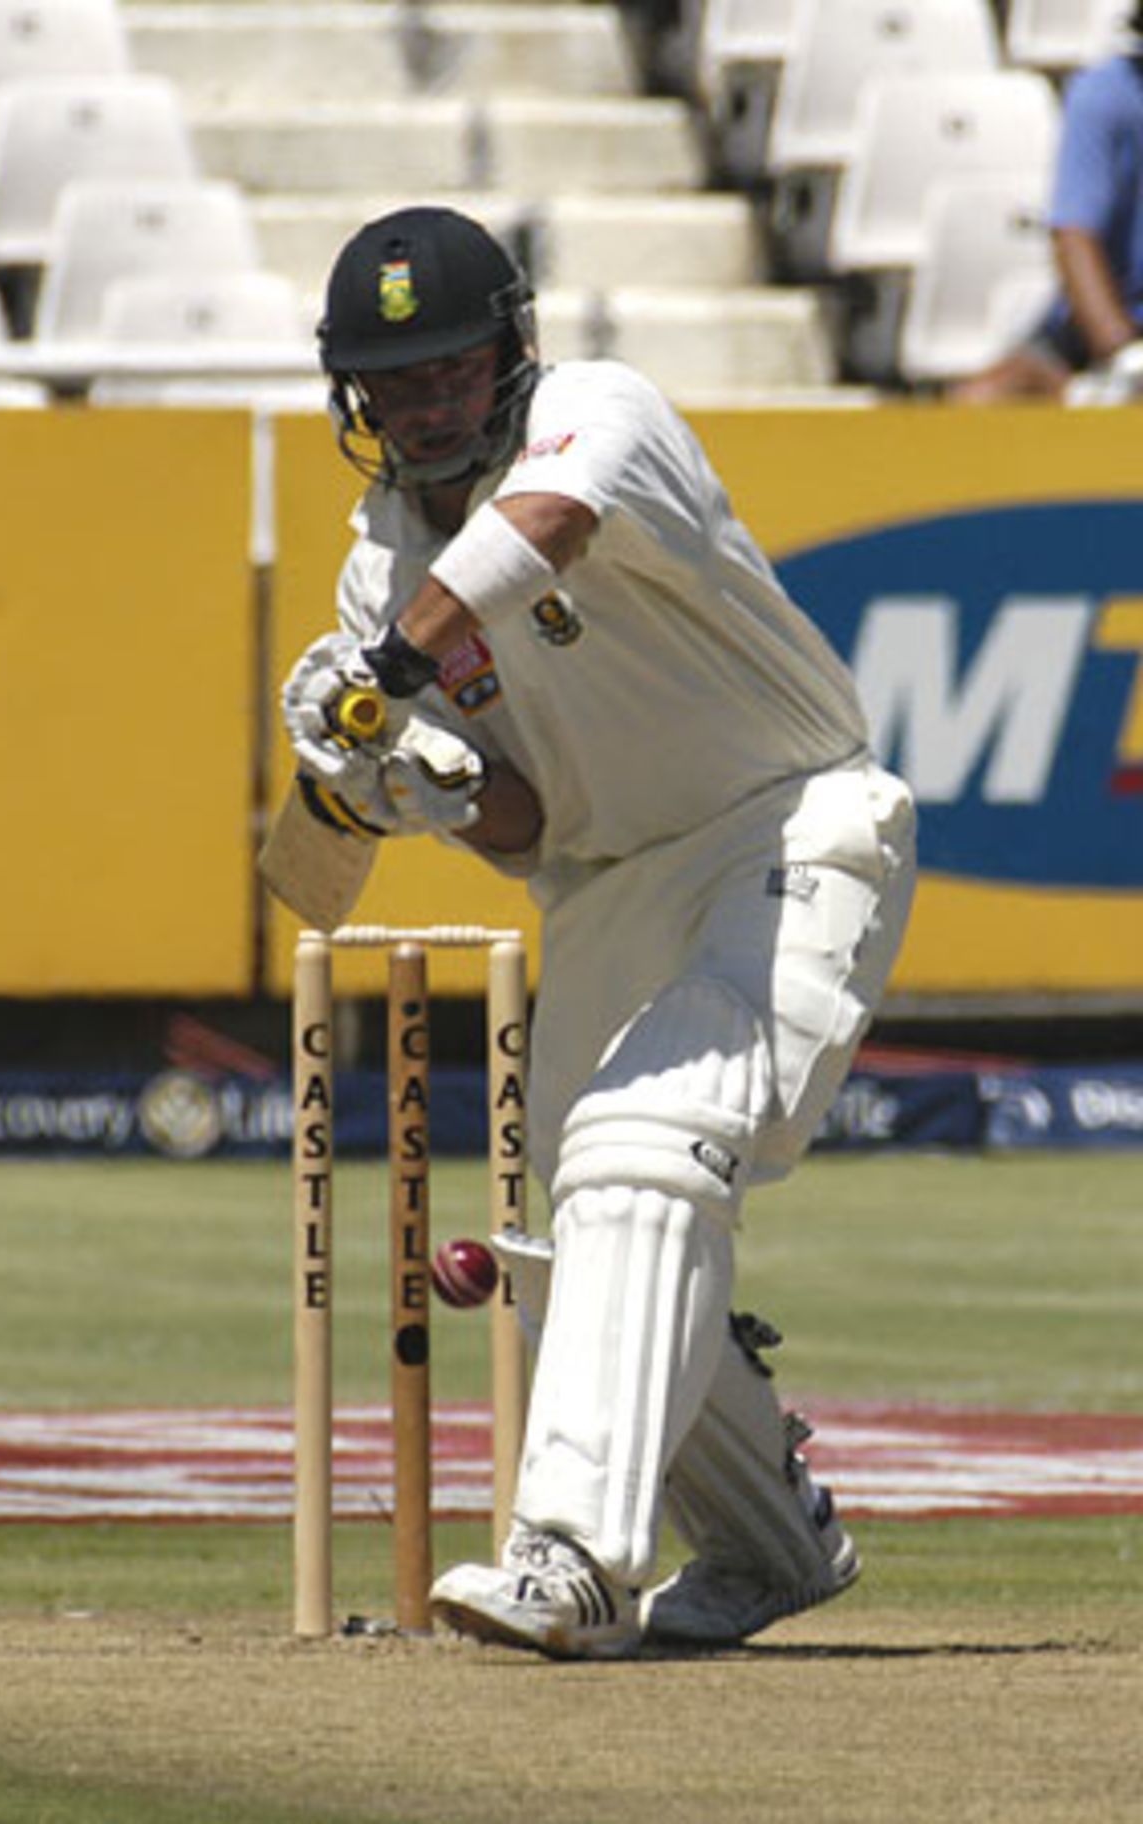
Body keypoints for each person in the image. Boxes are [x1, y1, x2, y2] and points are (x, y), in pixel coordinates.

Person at [281, 204, 917, 1660]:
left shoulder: (600, 414)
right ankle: (771, 1543)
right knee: (591, 1237)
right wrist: (415, 783)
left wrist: (384, 673)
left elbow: (544, 530)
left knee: (646, 1155)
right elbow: (523, 827)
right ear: (355, 399)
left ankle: (569, 1559)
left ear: (512, 354)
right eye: (398, 383)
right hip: (606, 888)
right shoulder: (376, 570)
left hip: (791, 821)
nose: (429, 404)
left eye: (454, 369)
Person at [952, 13, 1143, 401]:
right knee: (979, 400)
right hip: (1094, 345)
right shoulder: (1103, 95)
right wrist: (1126, 359)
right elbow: (1075, 237)